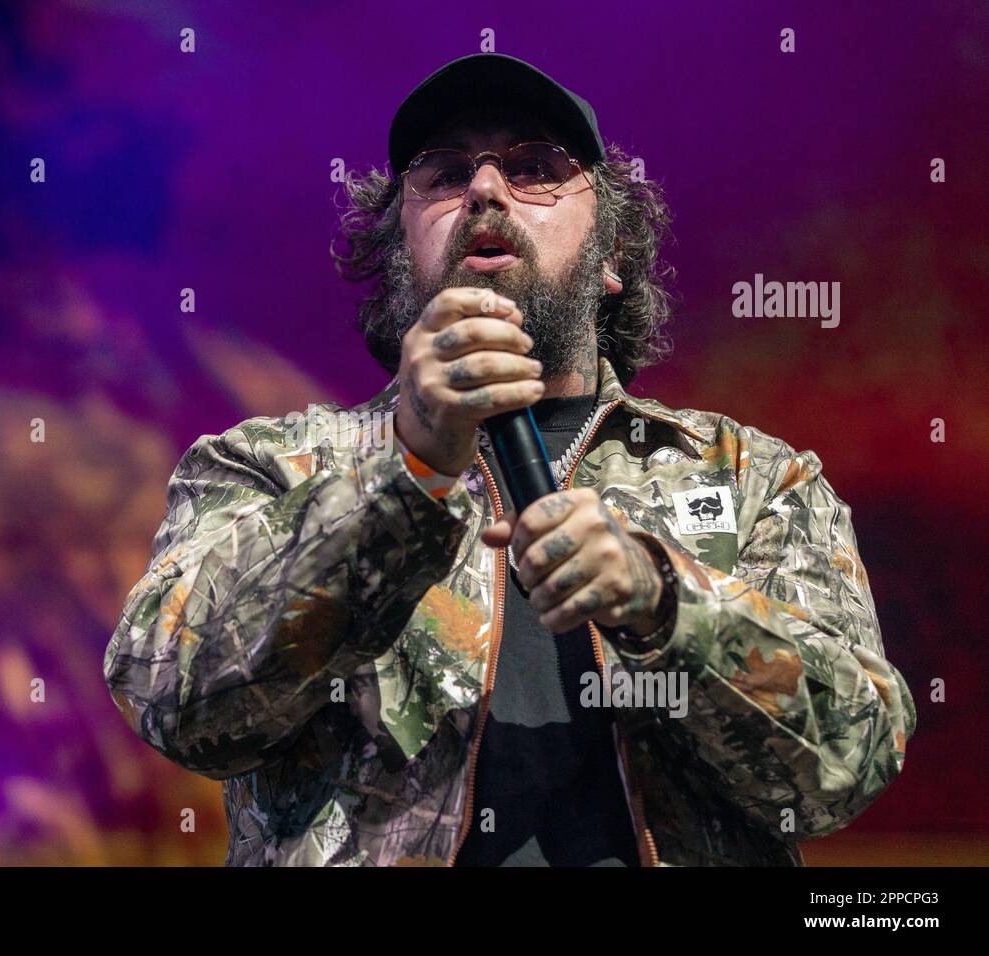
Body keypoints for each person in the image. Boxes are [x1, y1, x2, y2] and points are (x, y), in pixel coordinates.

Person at [104, 53, 914, 866]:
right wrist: (405, 476)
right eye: (446, 173)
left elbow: (849, 763)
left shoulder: (749, 477)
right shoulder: (271, 465)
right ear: (399, 256)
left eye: (533, 169)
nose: (485, 191)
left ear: (612, 254)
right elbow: (173, 702)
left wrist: (663, 601)